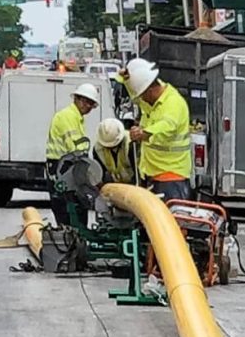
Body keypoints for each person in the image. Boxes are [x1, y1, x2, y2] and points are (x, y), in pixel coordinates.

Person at [114, 58, 193, 201]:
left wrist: (144, 133)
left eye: (142, 95)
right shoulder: (152, 102)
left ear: (149, 90)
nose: (141, 99)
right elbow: (135, 96)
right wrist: (125, 79)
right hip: (156, 175)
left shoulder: (173, 103)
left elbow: (167, 125)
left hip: (171, 178)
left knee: (164, 222)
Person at [45, 82, 101, 226]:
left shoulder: (76, 117)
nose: (88, 106)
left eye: (91, 104)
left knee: (76, 207)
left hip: (67, 167)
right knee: (67, 209)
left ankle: (74, 239)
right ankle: (70, 240)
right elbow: (76, 150)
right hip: (62, 169)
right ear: (77, 98)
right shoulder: (68, 117)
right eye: (86, 101)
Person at [92, 118, 138, 185]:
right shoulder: (98, 149)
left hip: (134, 184)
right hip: (115, 185)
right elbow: (100, 174)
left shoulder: (131, 144)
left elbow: (138, 172)